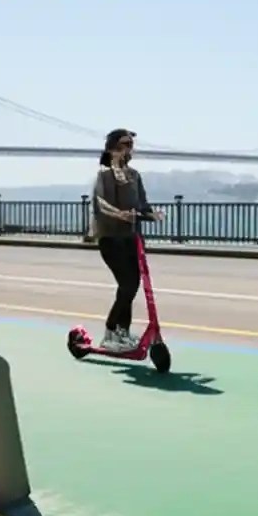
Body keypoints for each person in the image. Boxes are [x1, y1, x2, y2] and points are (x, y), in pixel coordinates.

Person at [91, 128, 163, 352]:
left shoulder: (133, 175)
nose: (128, 148)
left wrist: (152, 214)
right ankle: (110, 331)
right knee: (127, 284)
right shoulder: (104, 174)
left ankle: (122, 333)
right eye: (123, 144)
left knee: (131, 287)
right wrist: (118, 213)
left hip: (132, 238)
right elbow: (100, 202)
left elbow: (142, 203)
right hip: (111, 238)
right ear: (112, 148)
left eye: (130, 145)